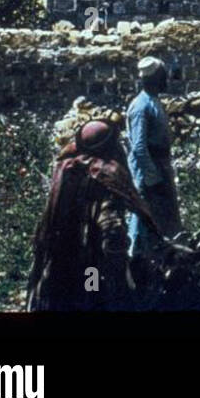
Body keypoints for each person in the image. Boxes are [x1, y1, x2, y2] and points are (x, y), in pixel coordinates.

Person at [27, 119, 158, 311]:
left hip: (57, 257)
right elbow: (111, 229)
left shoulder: (65, 168)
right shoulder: (107, 175)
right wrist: (119, 271)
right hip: (89, 262)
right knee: (91, 297)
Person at [126, 56, 181, 261]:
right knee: (143, 216)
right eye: (162, 76)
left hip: (160, 167)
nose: (166, 79)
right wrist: (152, 177)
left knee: (163, 217)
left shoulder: (153, 101)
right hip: (149, 170)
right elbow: (139, 148)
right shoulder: (141, 107)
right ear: (154, 78)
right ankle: (135, 259)